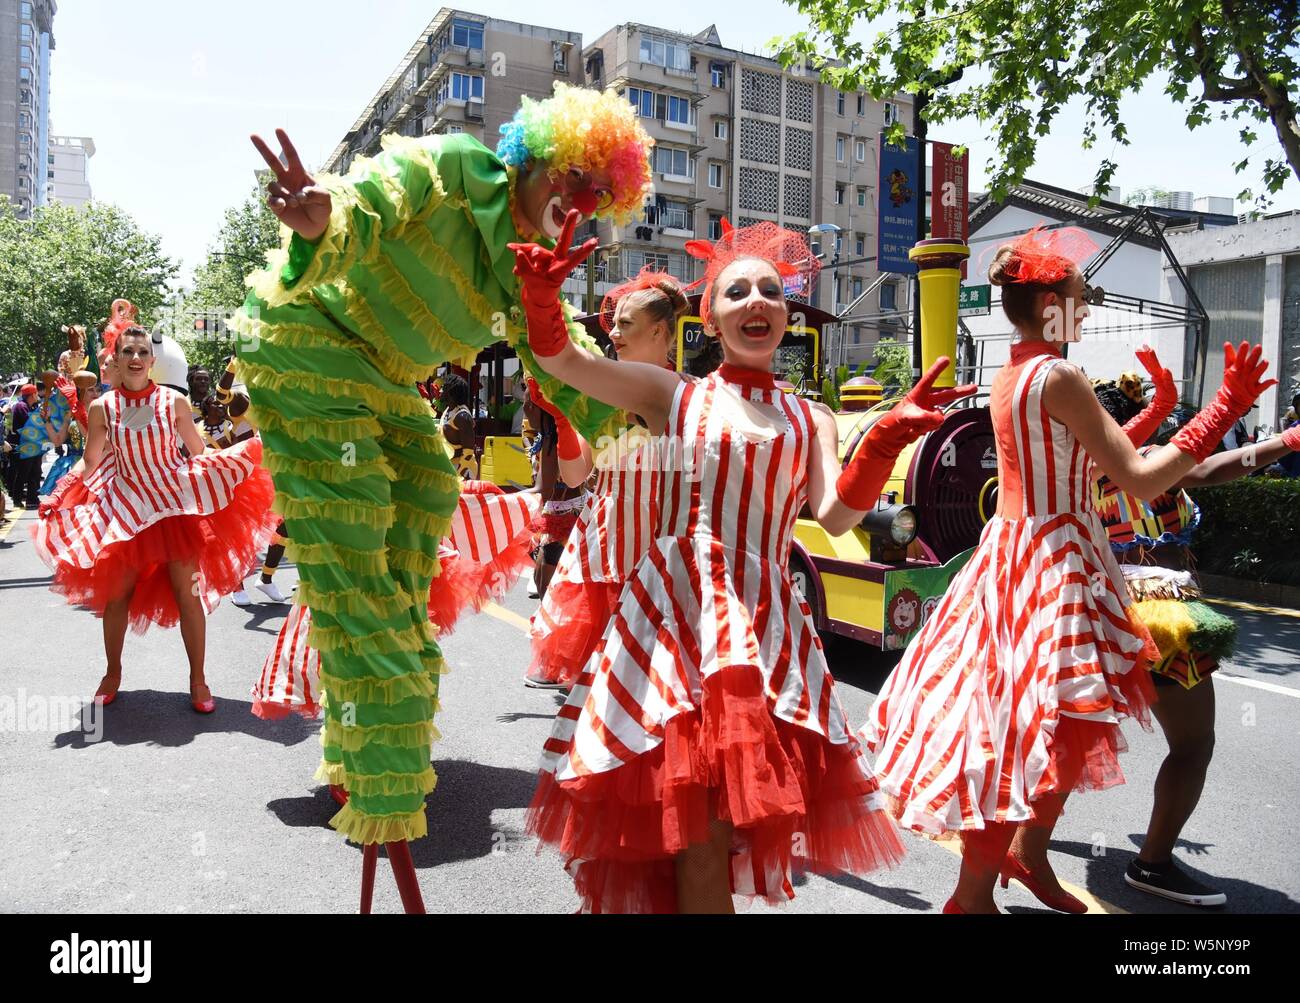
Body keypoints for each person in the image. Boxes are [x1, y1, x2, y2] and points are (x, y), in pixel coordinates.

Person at [233, 83, 651, 873]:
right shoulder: (460, 169)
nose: (578, 200)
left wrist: (659, 427)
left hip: (384, 378)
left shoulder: (533, 268)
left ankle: (362, 741)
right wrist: (326, 216)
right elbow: (374, 202)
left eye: (597, 195)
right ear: (537, 158)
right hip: (306, 342)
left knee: (427, 491)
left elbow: (563, 370)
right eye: (570, 176)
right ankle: (380, 789)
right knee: (359, 566)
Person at [518, 214, 972, 913]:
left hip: (762, 637)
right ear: (712, 318)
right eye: (737, 293)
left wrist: (880, 440)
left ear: (786, 313)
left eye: (770, 289)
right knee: (694, 838)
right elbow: (567, 364)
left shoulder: (809, 416)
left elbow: (839, 515)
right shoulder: (677, 395)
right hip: (676, 627)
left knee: (710, 840)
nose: (756, 300)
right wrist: (543, 304)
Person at [864, 225, 1278, 915]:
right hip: (1056, 564)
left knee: (1050, 725)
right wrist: (1221, 411)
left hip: (1025, 554)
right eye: (1080, 298)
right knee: (1036, 731)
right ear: (1051, 303)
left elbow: (1092, 460)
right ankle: (971, 896)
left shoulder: (1015, 375)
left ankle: (1026, 855)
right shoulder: (1058, 376)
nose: (1086, 311)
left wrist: (1170, 404)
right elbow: (1141, 480)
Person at [1006, 350, 1300, 908]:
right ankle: (1152, 864)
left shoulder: (1073, 467)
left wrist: (1284, 442)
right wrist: (1281, 440)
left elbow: (1209, 467)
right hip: (1156, 614)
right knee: (1191, 743)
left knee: (1075, 733)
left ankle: (1024, 844)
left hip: (1094, 609)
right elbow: (1206, 467)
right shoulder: (1122, 463)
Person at [31, 302, 279, 714]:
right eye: (127, 352)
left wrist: (229, 466)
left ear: (152, 359)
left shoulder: (174, 403)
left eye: (142, 352)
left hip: (172, 508)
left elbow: (198, 453)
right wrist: (60, 492)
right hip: (125, 509)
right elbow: (91, 461)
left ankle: (198, 681)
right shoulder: (101, 409)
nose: (134, 359)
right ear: (115, 359)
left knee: (189, 595)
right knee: (117, 597)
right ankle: (112, 674)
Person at [525, 268, 691, 691]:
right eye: (613, 324)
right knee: (601, 689)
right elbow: (576, 474)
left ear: (659, 332)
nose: (613, 334)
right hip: (607, 547)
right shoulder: (597, 398)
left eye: (625, 325)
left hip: (666, 552)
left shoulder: (692, 396)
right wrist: (563, 417)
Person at [439, 372, 479, 480]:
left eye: (443, 387)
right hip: (449, 467)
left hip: (462, 469)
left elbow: (468, 453)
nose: (440, 390)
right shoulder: (448, 410)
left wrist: (461, 476)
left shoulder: (462, 417)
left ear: (451, 391)